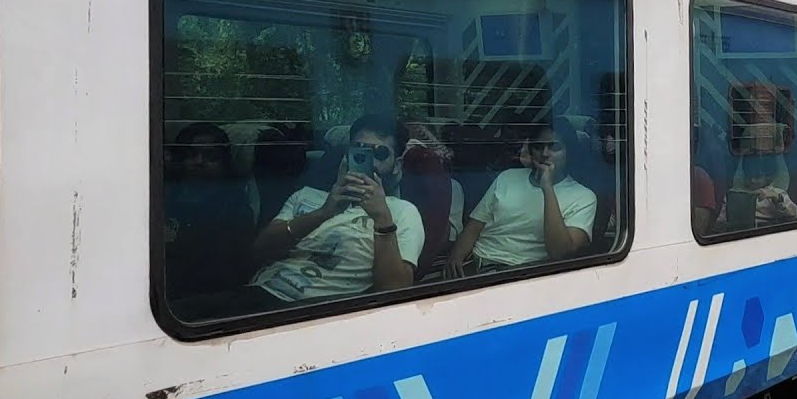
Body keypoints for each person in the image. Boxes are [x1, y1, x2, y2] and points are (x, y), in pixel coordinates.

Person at [174, 114, 426, 319]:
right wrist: (324, 212)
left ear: (397, 165)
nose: (368, 162)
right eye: (359, 151)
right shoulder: (307, 195)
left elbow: (395, 293)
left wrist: (382, 220)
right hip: (254, 296)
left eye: (380, 154)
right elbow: (258, 253)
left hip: (315, 314)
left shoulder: (402, 212)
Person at [445, 117, 597, 276]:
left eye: (554, 147)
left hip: (523, 274)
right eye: (538, 147)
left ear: (569, 152)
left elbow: (560, 254)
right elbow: (474, 227)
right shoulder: (507, 177)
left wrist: (547, 188)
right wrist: (456, 258)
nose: (545, 154)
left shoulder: (583, 197)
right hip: (477, 263)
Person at [163, 122, 255, 301]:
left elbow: (234, 265)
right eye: (191, 155)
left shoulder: (233, 204)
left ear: (223, 161)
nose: (199, 162)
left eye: (210, 156)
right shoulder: (163, 194)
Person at [716, 154, 797, 231]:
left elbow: (793, 214)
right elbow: (721, 220)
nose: (752, 180)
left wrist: (777, 198)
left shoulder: (776, 194)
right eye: (749, 175)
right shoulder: (734, 194)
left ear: (768, 177)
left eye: (757, 176)